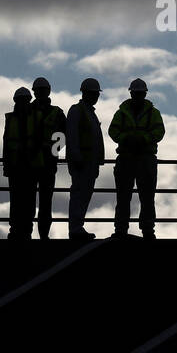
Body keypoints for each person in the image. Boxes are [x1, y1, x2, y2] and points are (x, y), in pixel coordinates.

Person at [108, 78, 165, 239]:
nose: (138, 96)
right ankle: (124, 229)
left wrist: (140, 139)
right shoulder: (123, 113)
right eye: (136, 93)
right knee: (125, 196)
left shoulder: (152, 113)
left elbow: (159, 132)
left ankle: (145, 229)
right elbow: (113, 131)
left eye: (139, 93)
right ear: (133, 93)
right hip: (130, 158)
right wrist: (129, 139)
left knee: (145, 197)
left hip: (142, 159)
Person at [64, 78, 103, 241]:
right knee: (79, 194)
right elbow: (71, 135)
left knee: (84, 194)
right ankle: (75, 228)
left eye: (96, 94)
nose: (95, 97)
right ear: (85, 93)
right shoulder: (77, 111)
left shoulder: (89, 113)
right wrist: (77, 156)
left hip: (90, 162)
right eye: (93, 94)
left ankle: (78, 226)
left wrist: (98, 160)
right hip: (82, 161)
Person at [2, 87, 42, 241]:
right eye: (21, 100)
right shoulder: (11, 119)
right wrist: (6, 165)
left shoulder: (37, 117)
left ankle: (26, 230)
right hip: (16, 165)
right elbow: (6, 143)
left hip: (30, 165)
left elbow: (41, 139)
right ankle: (16, 230)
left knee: (28, 200)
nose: (23, 103)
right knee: (17, 200)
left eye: (25, 100)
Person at [30, 77, 67, 239]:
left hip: (47, 162)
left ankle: (43, 235)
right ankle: (28, 234)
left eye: (42, 90)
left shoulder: (57, 113)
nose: (41, 93)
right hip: (30, 162)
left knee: (45, 202)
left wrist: (52, 150)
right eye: (39, 90)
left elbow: (64, 135)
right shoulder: (27, 110)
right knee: (29, 201)